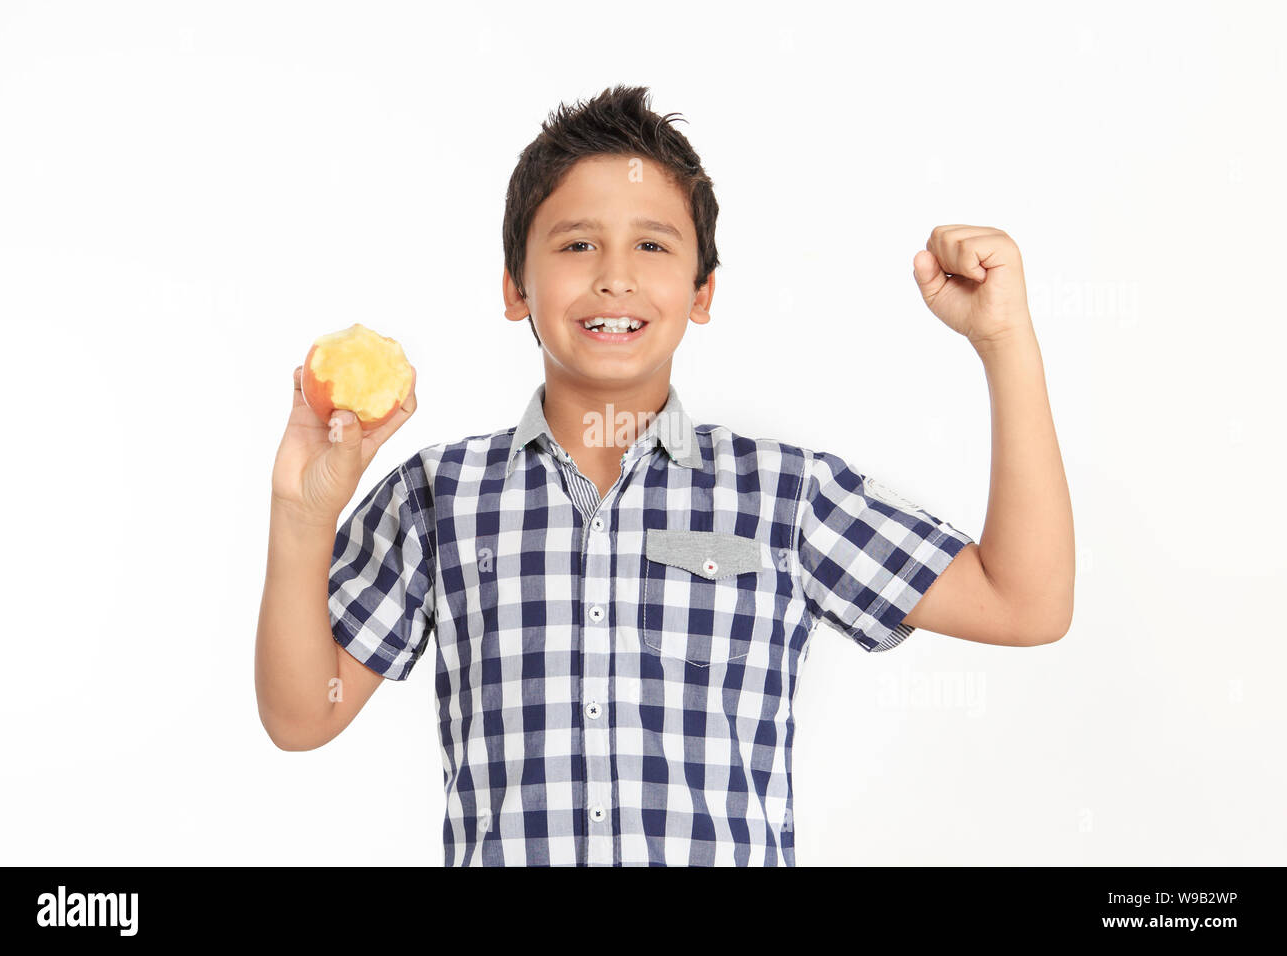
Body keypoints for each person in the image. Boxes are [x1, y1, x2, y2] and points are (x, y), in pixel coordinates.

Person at [254, 84, 1075, 866]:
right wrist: (300, 514)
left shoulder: (784, 496)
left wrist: (1004, 343)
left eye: (652, 245)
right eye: (577, 245)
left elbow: (1025, 601)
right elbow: (300, 716)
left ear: (702, 290)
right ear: (516, 287)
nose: (615, 275)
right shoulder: (441, 497)